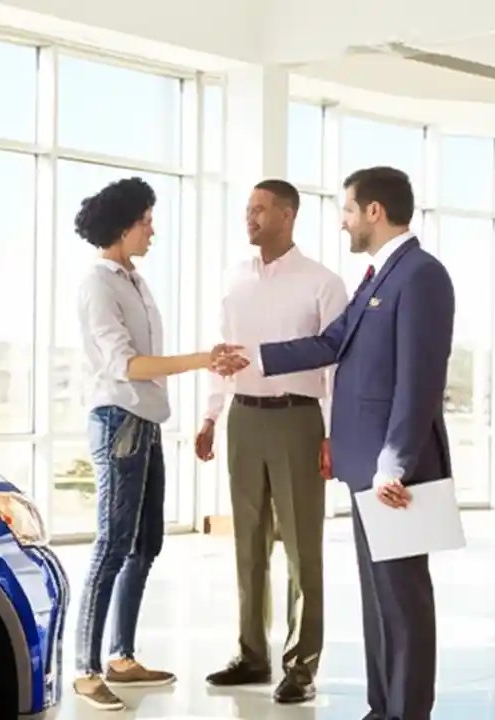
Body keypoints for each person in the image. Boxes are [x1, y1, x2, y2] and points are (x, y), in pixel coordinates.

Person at [242, 166, 452, 720]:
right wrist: (255, 357)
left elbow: (420, 382)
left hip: (394, 473)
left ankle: (407, 713)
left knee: (403, 602)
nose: (343, 222)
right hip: (367, 468)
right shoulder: (378, 275)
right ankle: (382, 709)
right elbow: (333, 342)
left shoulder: (422, 275)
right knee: (378, 600)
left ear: (374, 211)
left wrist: (394, 463)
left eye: (348, 210)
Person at [71, 176, 246, 711]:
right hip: (118, 422)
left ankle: (121, 657)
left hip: (144, 423)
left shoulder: (135, 281)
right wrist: (203, 360)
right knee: (112, 545)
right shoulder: (98, 284)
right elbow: (126, 365)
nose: (152, 231)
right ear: (122, 226)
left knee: (146, 543)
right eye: (145, 221)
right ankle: (86, 670)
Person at [199, 179, 348, 703]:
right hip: (243, 417)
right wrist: (211, 415)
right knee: (249, 544)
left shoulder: (323, 283)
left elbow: (336, 364)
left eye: (260, 209)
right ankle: (251, 655)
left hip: (297, 419)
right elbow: (222, 352)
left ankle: (301, 667)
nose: (250, 217)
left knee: (302, 548)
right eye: (248, 209)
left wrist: (332, 433)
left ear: (288, 215)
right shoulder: (235, 277)